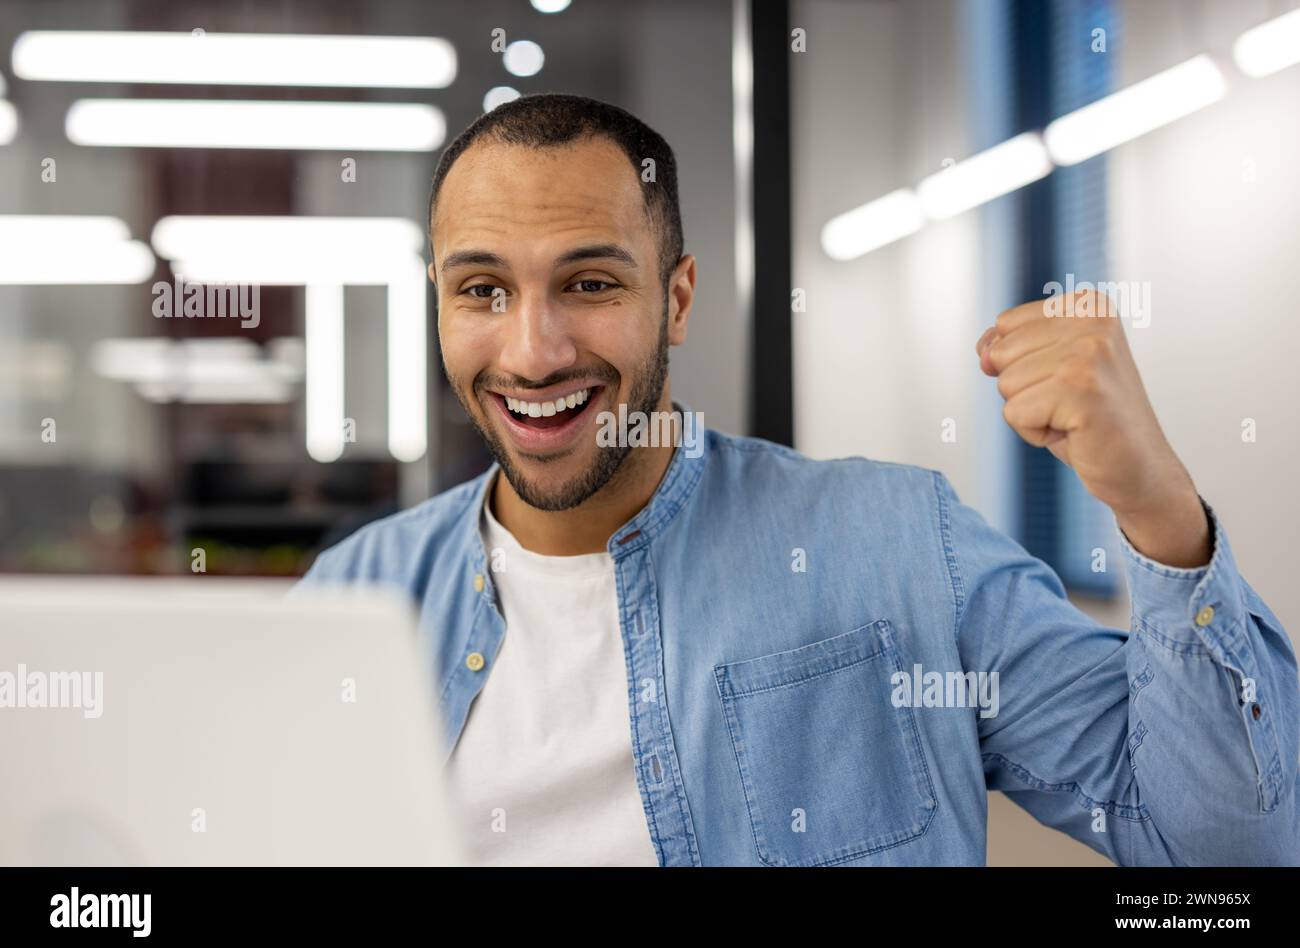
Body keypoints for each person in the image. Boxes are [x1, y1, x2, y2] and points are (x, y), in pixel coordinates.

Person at [298, 93, 1298, 867]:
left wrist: (1155, 507)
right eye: (483, 291)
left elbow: (1219, 853)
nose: (532, 350)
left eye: (590, 284)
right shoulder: (350, 601)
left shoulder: (899, 544)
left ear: (676, 298)